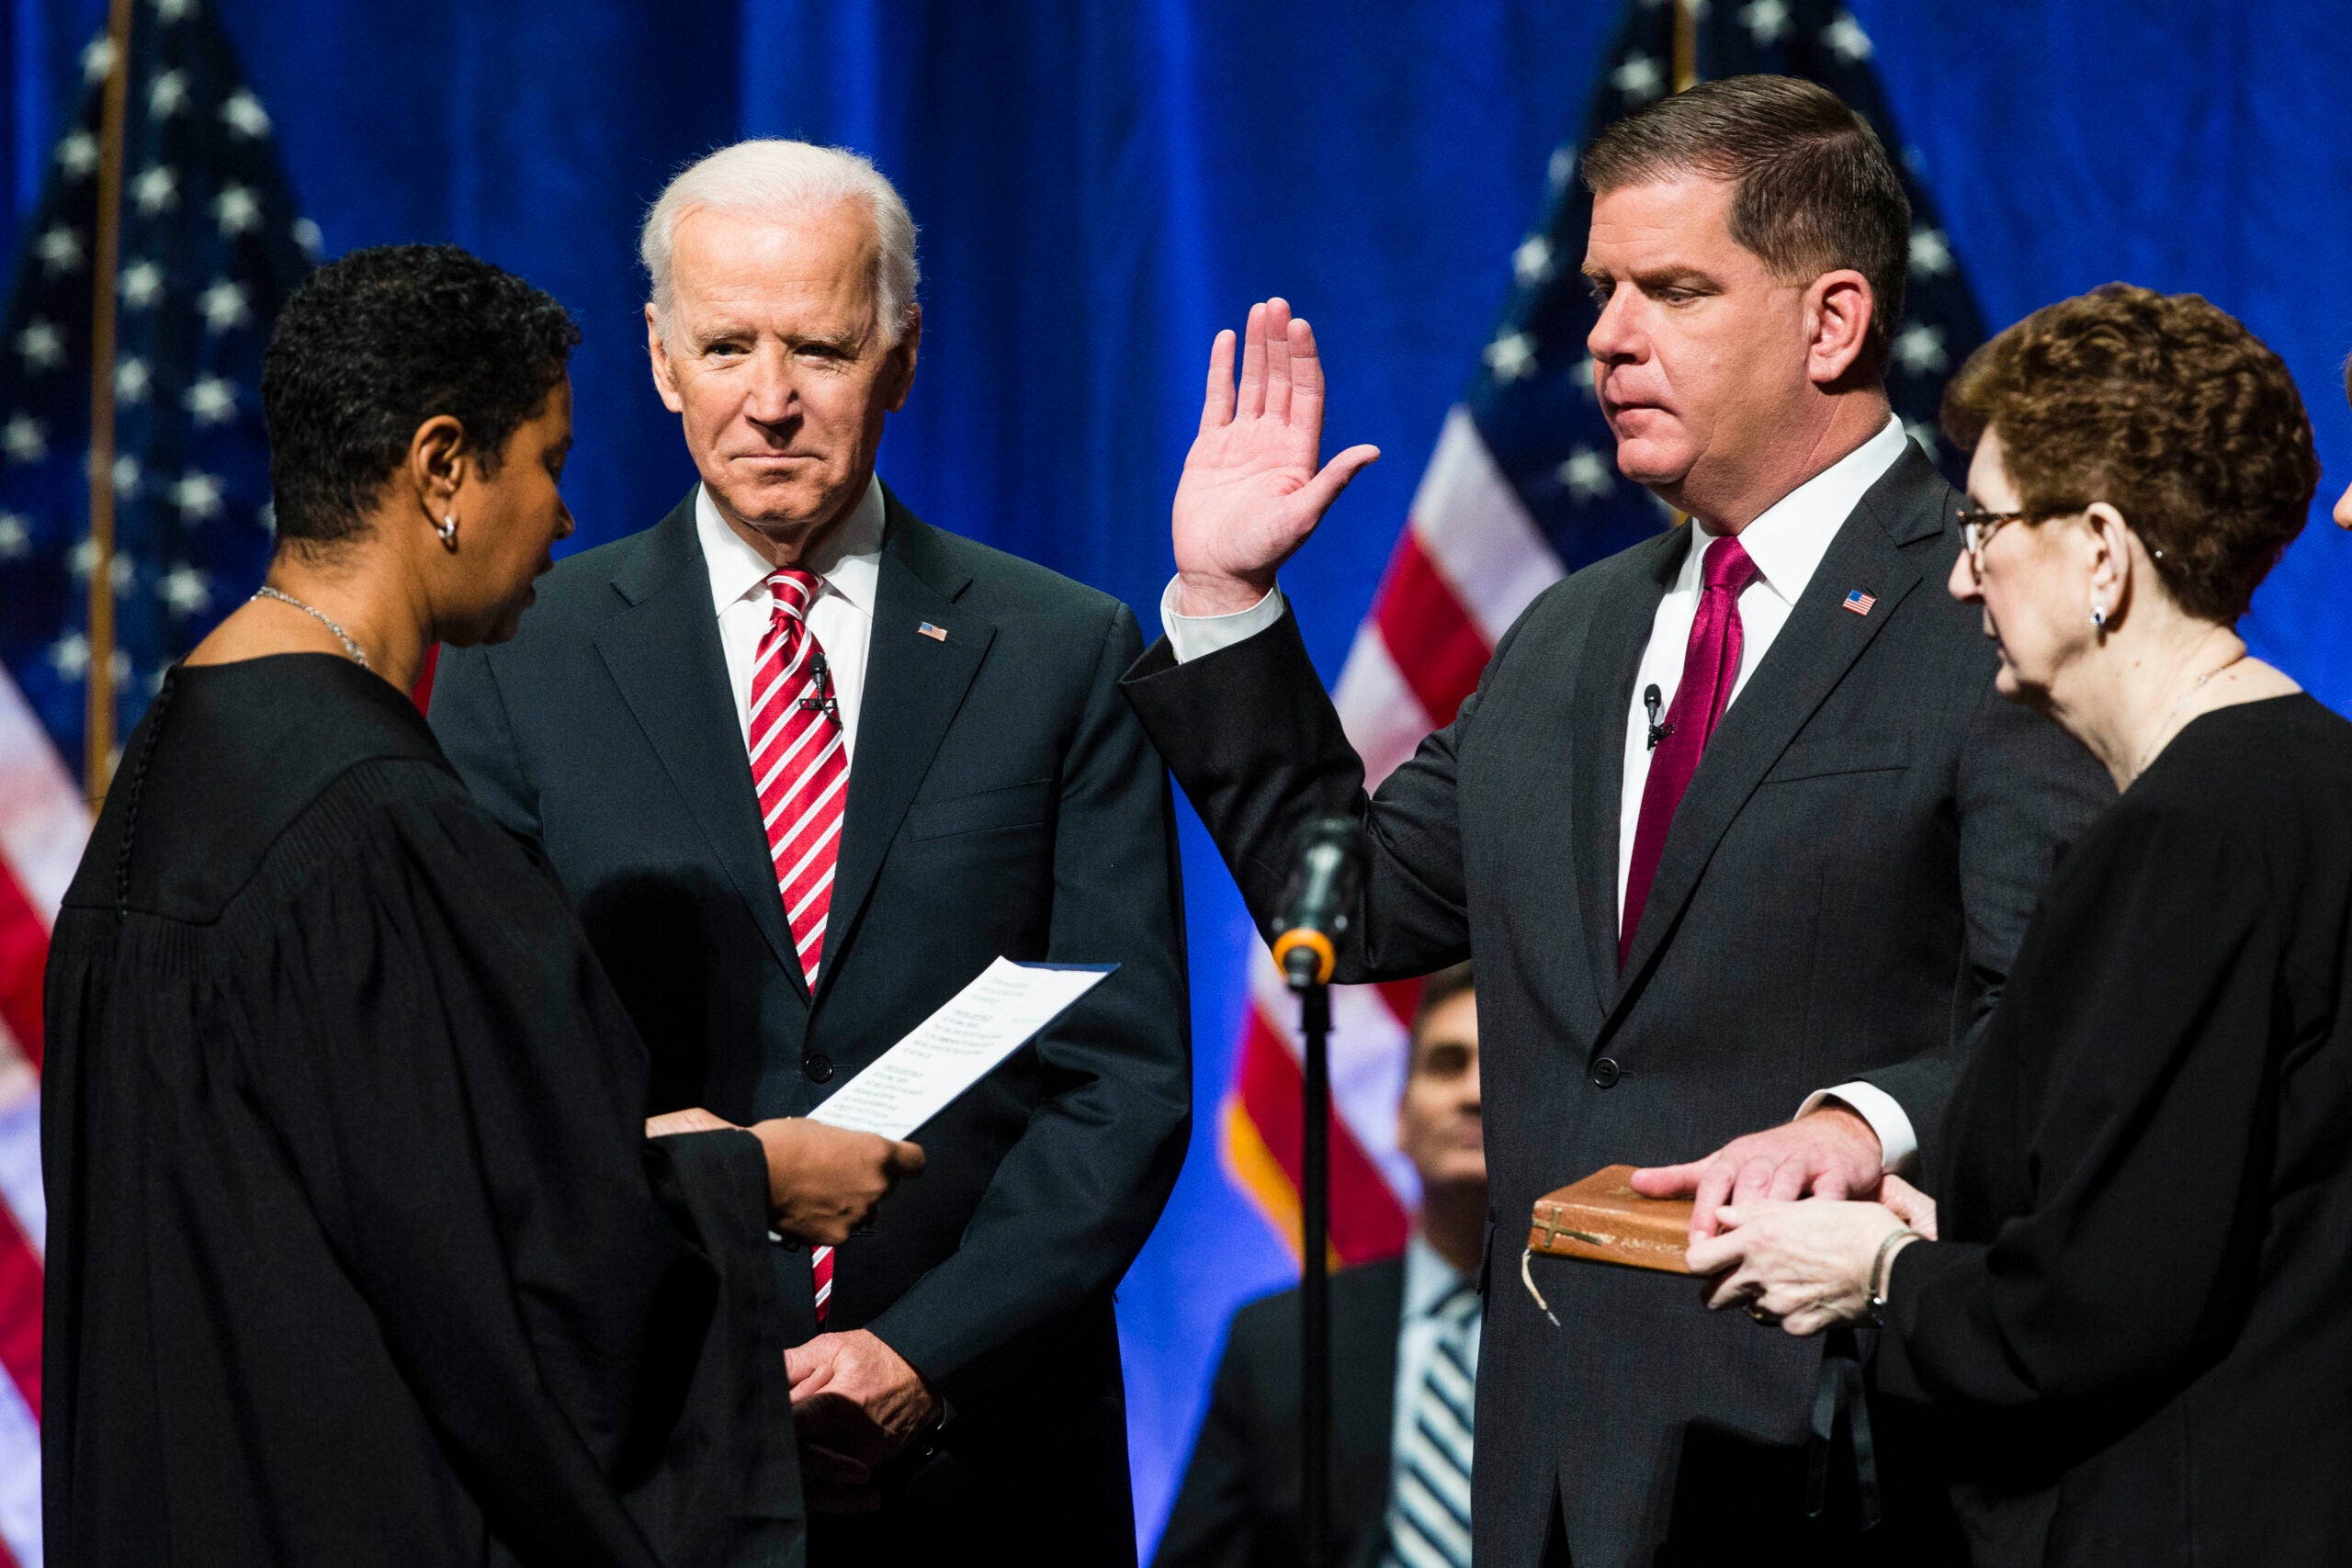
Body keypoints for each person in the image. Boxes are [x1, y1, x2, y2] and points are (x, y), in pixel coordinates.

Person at [1121, 76, 2115, 1566]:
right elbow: (1359, 903)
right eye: (1600, 290)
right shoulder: (1569, 632)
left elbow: (2061, 1018)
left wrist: (1864, 1119)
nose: (1606, 336)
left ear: (1834, 323)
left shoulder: (1984, 610)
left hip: (1842, 1455)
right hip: (1550, 1472)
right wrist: (1225, 601)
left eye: (1675, 290)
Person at [41, 243, 929, 1567]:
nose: (565, 517)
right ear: (444, 469)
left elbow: (367, 1182)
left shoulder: (181, 759)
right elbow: (511, 1278)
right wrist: (754, 1176)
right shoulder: (377, 825)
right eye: (549, 463)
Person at [429, 141, 1191, 1565]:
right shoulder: (517, 657)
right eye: (727, 346)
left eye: (821, 349)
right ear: (660, 359)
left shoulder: (1060, 648)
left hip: (988, 1459)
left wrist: (919, 1354)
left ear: (902, 356)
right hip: (652, 1458)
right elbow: (494, 1083)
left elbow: (1123, 1077)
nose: (769, 399)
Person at [1690, 287, 2348, 1565]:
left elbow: (2106, 1307)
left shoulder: (2184, 836)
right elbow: (2217, 1211)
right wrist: (1959, 1237)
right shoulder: (2313, 781)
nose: (1958, 575)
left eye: (1983, 525)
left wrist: (1878, 1270)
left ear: (2101, 550)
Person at [1155, 964, 1487, 1568]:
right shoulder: (1280, 1344)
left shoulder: (1606, 1341)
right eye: (1447, 1064)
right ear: (1398, 1117)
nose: (1474, 1093)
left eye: (1501, 1073)